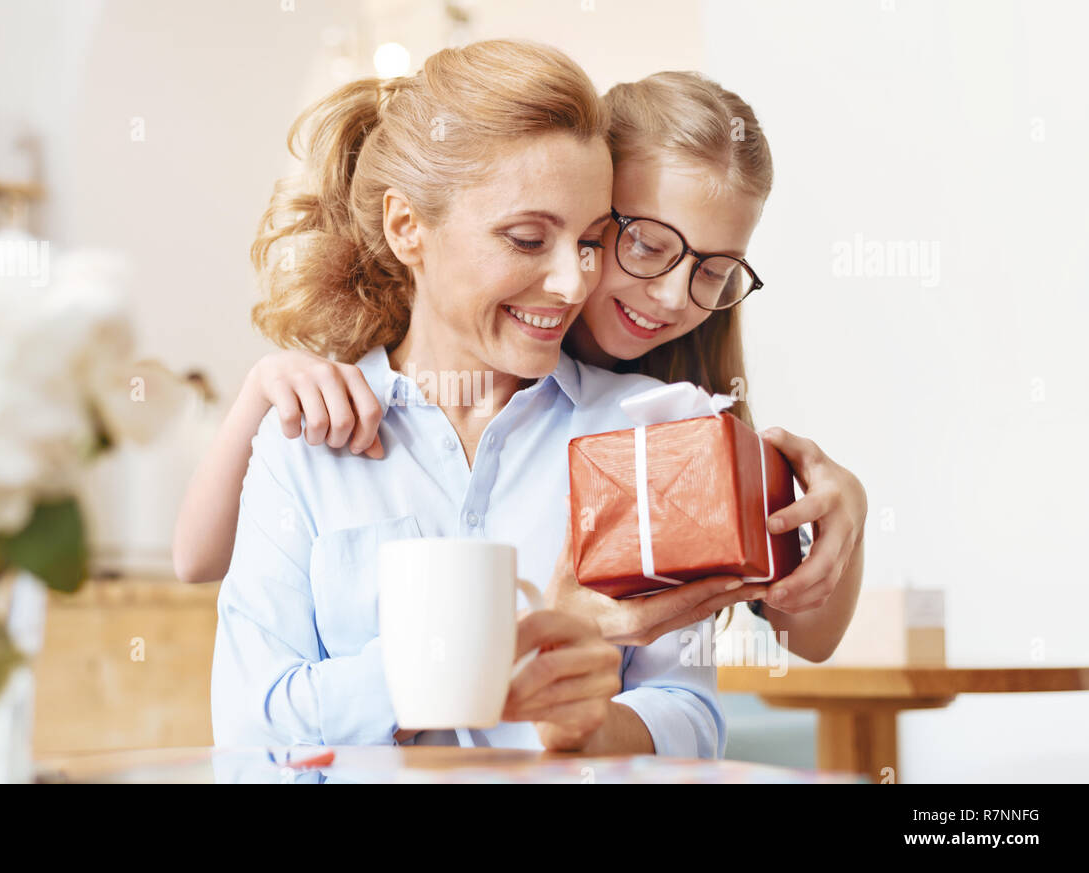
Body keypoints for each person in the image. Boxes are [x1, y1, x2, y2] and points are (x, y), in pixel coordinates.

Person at [177, 70, 867, 665]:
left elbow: (804, 636)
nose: (671, 296)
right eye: (646, 245)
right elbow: (198, 559)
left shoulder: (674, 413)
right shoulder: (416, 365)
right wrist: (260, 392)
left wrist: (851, 515)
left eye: (714, 271)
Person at [204, 40, 728, 755]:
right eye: (526, 238)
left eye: (591, 241)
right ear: (406, 227)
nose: (574, 283)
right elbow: (248, 729)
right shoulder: (306, 438)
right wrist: (449, 663)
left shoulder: (647, 433)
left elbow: (690, 712)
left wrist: (593, 727)